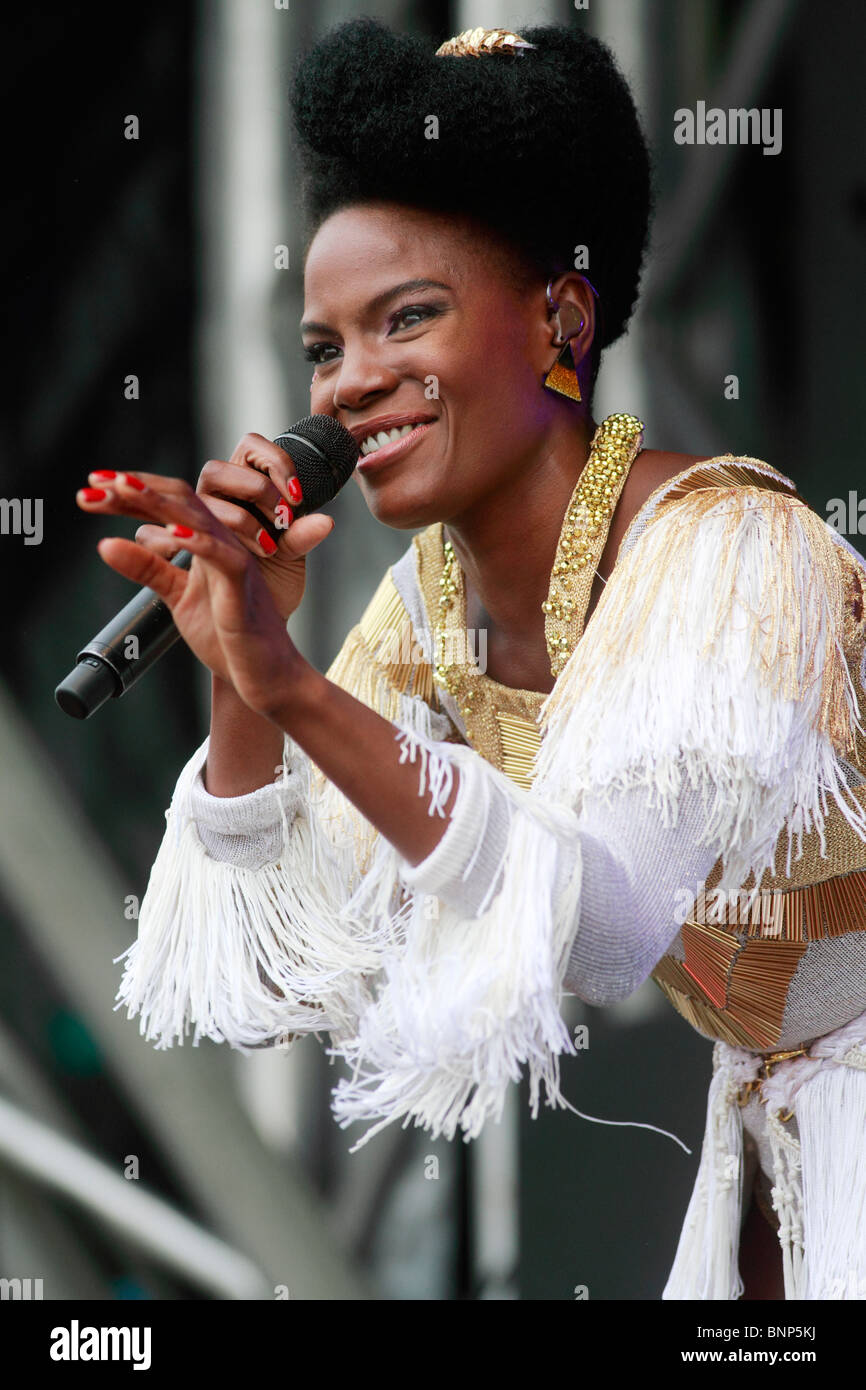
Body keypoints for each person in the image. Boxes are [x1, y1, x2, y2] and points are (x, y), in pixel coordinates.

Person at [75, 20, 866, 1301]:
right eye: (325, 345)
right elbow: (277, 977)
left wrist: (295, 688)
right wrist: (239, 671)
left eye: (407, 319)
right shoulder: (426, 601)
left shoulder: (728, 549)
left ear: (559, 318)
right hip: (772, 1120)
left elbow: (605, 928)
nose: (343, 385)